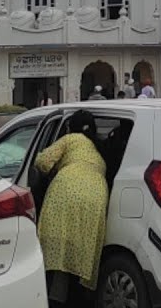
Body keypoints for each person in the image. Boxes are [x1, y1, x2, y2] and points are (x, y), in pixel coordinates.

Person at [34, 110, 109, 303]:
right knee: (82, 245)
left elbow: (43, 162)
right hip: (97, 195)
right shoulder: (99, 150)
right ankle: (77, 297)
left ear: (70, 127)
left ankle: (50, 296)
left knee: (56, 241)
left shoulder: (71, 139)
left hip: (67, 190)